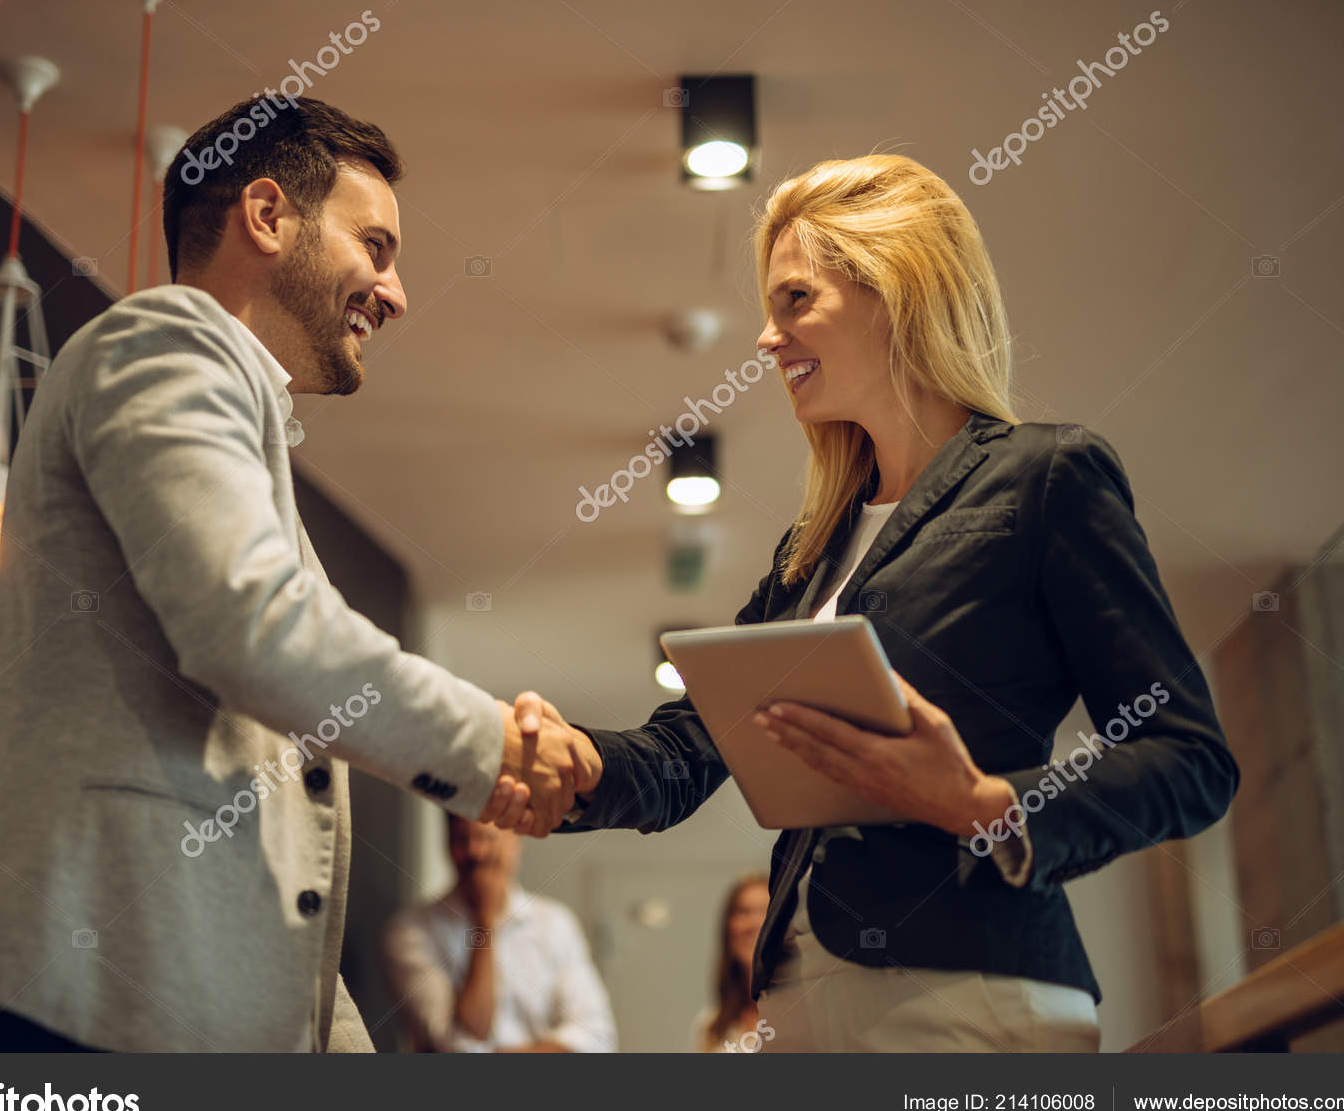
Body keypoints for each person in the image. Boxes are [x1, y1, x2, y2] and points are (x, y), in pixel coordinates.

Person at [0, 96, 591, 1055]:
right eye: (376, 247)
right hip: (67, 1019)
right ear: (267, 216)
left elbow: (279, 892)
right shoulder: (168, 337)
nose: (395, 292)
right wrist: (495, 748)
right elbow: (254, 627)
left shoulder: (259, 464)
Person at [493, 154, 1241, 1053]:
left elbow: (1190, 761)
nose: (767, 341)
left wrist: (982, 801)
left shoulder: (1045, 478)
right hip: (803, 1004)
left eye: (794, 301)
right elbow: (697, 741)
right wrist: (584, 764)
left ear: (895, 289)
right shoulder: (811, 550)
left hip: (969, 999)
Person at [382, 815, 616, 1052]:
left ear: (516, 841)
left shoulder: (556, 923)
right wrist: (485, 920)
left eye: (486, 837)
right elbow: (456, 1041)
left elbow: (597, 1034)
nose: (476, 851)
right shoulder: (411, 931)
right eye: (462, 839)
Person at [692, 874, 770, 1053]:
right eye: (743, 912)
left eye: (766, 911)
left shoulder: (807, 1015)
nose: (753, 923)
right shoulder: (710, 1026)